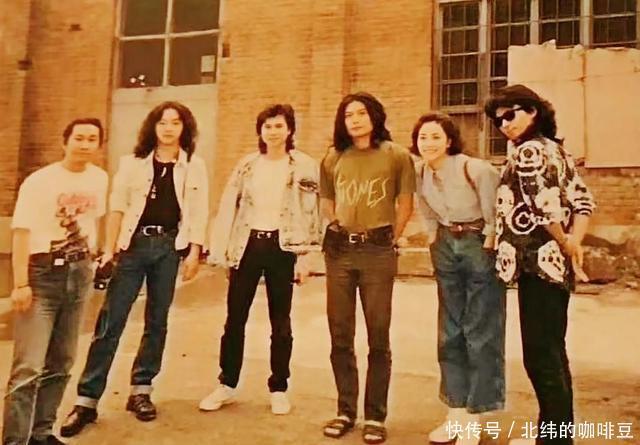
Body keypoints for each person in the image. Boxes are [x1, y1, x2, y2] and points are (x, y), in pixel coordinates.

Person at [61, 101, 209, 437]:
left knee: (157, 321)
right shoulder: (133, 163)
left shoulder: (194, 166)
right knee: (111, 321)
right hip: (132, 247)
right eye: (162, 122)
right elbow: (117, 207)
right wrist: (109, 250)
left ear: (184, 128)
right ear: (152, 127)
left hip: (169, 247)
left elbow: (198, 210)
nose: (168, 128)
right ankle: (86, 400)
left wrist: (194, 251)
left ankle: (141, 390)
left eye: (175, 122)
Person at [484, 85, 595, 445]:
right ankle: (555, 435)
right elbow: (582, 201)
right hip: (554, 265)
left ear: (532, 111)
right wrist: (573, 242)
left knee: (540, 357)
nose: (504, 124)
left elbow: (543, 207)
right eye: (498, 121)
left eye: (510, 115)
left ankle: (555, 439)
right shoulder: (556, 149)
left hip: (536, 263)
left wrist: (565, 241)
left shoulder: (528, 151)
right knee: (553, 352)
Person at [200, 103, 320, 415]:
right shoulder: (247, 165)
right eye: (268, 126)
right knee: (234, 318)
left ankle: (279, 388)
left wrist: (305, 256)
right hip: (248, 244)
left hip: (284, 246)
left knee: (281, 321)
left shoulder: (304, 165)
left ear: (289, 129)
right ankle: (227, 383)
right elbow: (229, 205)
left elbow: (312, 212)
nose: (273, 132)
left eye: (279, 126)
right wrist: (222, 250)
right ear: (260, 131)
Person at [2, 118, 108, 445]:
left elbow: (96, 221)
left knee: (62, 362)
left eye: (92, 139)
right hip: (42, 275)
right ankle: (15, 440)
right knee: (28, 368)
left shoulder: (99, 178)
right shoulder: (39, 182)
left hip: (79, 274)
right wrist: (21, 283)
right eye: (79, 138)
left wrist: (96, 257)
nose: (85, 144)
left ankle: (41, 433)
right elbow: (21, 233)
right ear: (65, 142)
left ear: (99, 145)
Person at [319, 92, 415, 444]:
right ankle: (345, 410)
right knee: (340, 333)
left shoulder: (396, 155)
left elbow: (405, 202)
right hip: (340, 251)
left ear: (375, 116)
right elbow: (326, 198)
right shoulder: (333, 157)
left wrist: (393, 237)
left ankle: (375, 415)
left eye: (361, 113)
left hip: (377, 250)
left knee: (378, 333)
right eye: (349, 115)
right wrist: (333, 224)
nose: (355, 120)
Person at [410, 112, 506, 445]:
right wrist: (432, 235)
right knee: (449, 331)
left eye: (435, 136)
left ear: (449, 140)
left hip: (479, 242)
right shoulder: (419, 172)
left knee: (479, 330)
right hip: (446, 243)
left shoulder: (475, 169)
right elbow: (425, 207)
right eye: (423, 137)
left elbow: (495, 211)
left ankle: (475, 416)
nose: (428, 143)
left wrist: (489, 241)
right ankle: (455, 411)